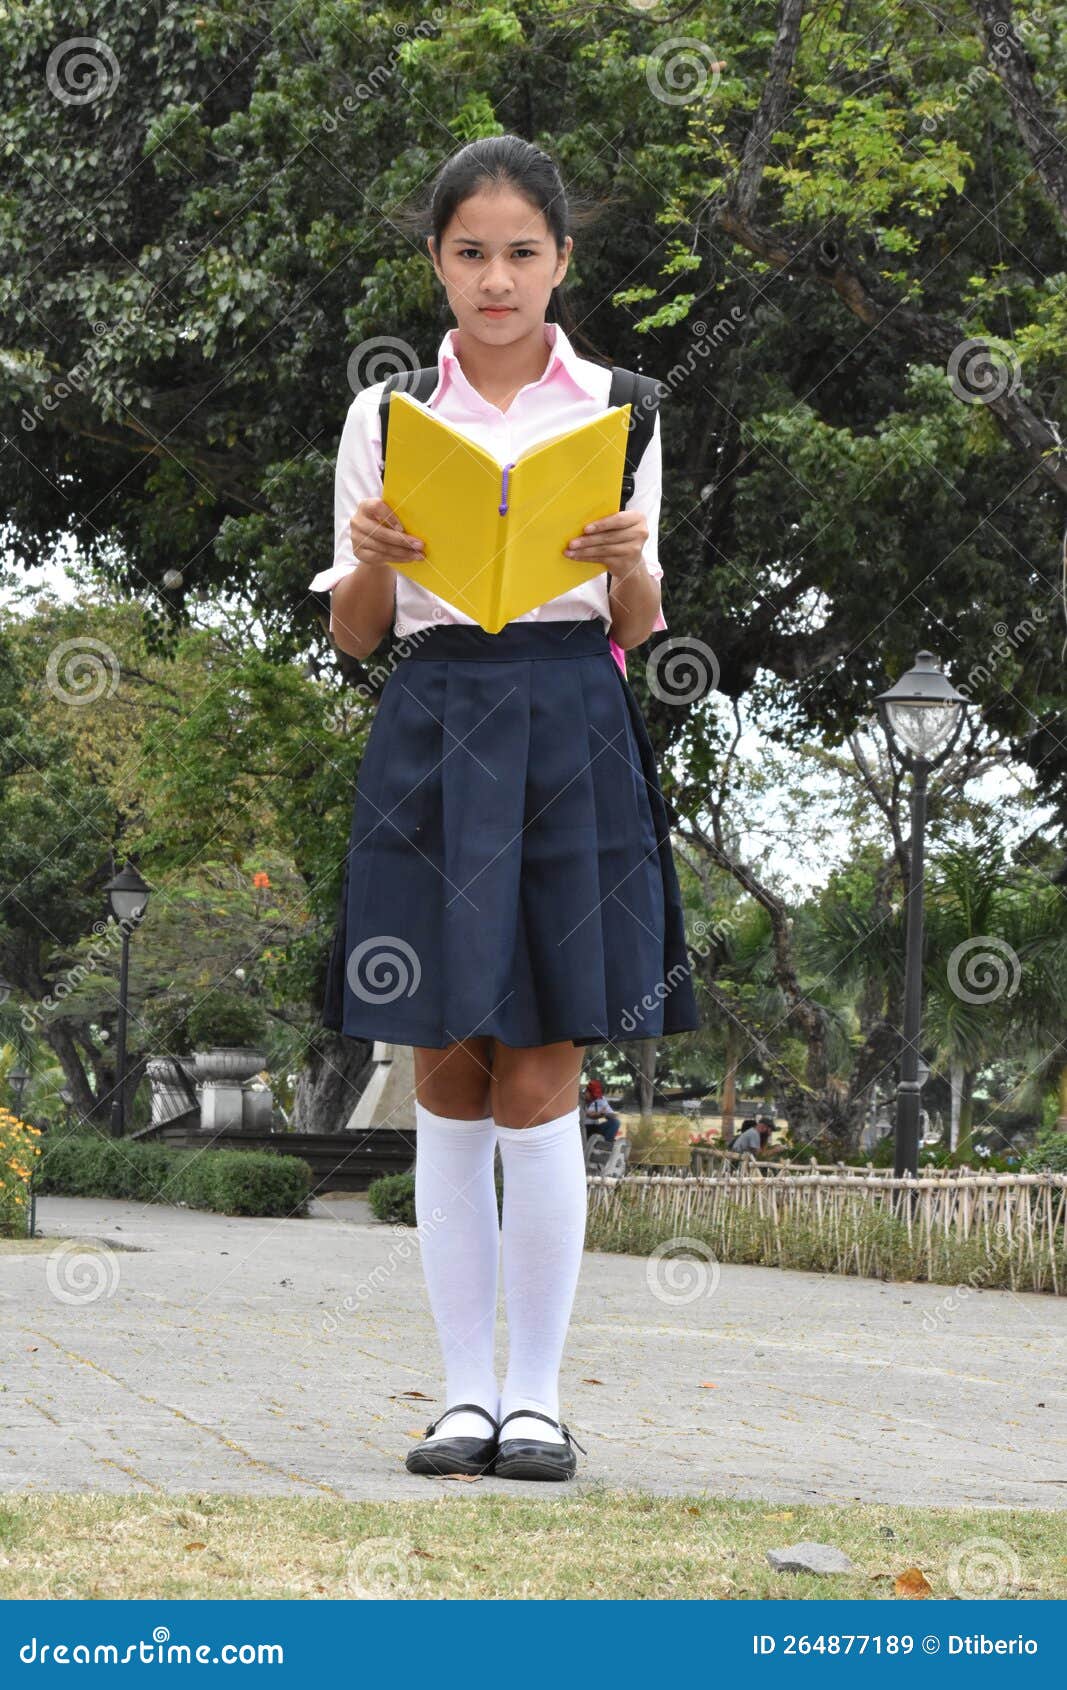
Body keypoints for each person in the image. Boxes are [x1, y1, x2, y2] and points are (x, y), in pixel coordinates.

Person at [311, 135, 701, 1484]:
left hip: (567, 729)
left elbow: (641, 634)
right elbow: (358, 638)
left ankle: (535, 1400)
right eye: (468, 252)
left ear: (559, 263)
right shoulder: (382, 416)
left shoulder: (623, 412)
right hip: (429, 723)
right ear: (436, 261)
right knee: (442, 1063)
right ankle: (459, 1395)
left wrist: (629, 562)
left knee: (542, 1058)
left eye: (518, 252)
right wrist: (367, 558)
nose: (493, 278)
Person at [582, 1079, 622, 1145]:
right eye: (593, 1096)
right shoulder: (579, 1098)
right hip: (582, 1128)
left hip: (594, 1127)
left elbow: (612, 1114)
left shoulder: (601, 1099)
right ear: (587, 1091)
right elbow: (589, 1115)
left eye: (596, 1096)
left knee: (615, 1122)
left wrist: (608, 1114)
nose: (595, 1098)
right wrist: (600, 1114)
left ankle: (607, 1145)